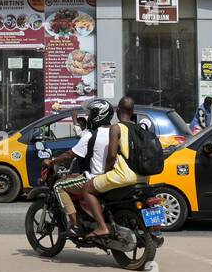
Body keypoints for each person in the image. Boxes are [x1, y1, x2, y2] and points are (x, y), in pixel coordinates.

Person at [78, 96, 149, 238]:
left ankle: (102, 227)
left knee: (87, 189)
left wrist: (106, 172)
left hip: (123, 176)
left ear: (118, 111)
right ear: (133, 111)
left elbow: (111, 155)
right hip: (143, 177)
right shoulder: (139, 128)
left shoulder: (116, 128)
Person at [45, 100, 114, 233]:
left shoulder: (91, 135)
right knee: (75, 176)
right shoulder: (116, 132)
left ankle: (75, 224)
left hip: (96, 178)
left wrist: (52, 162)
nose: (89, 117)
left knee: (58, 185)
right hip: (113, 176)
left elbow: (69, 155)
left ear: (98, 115)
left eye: (91, 114)